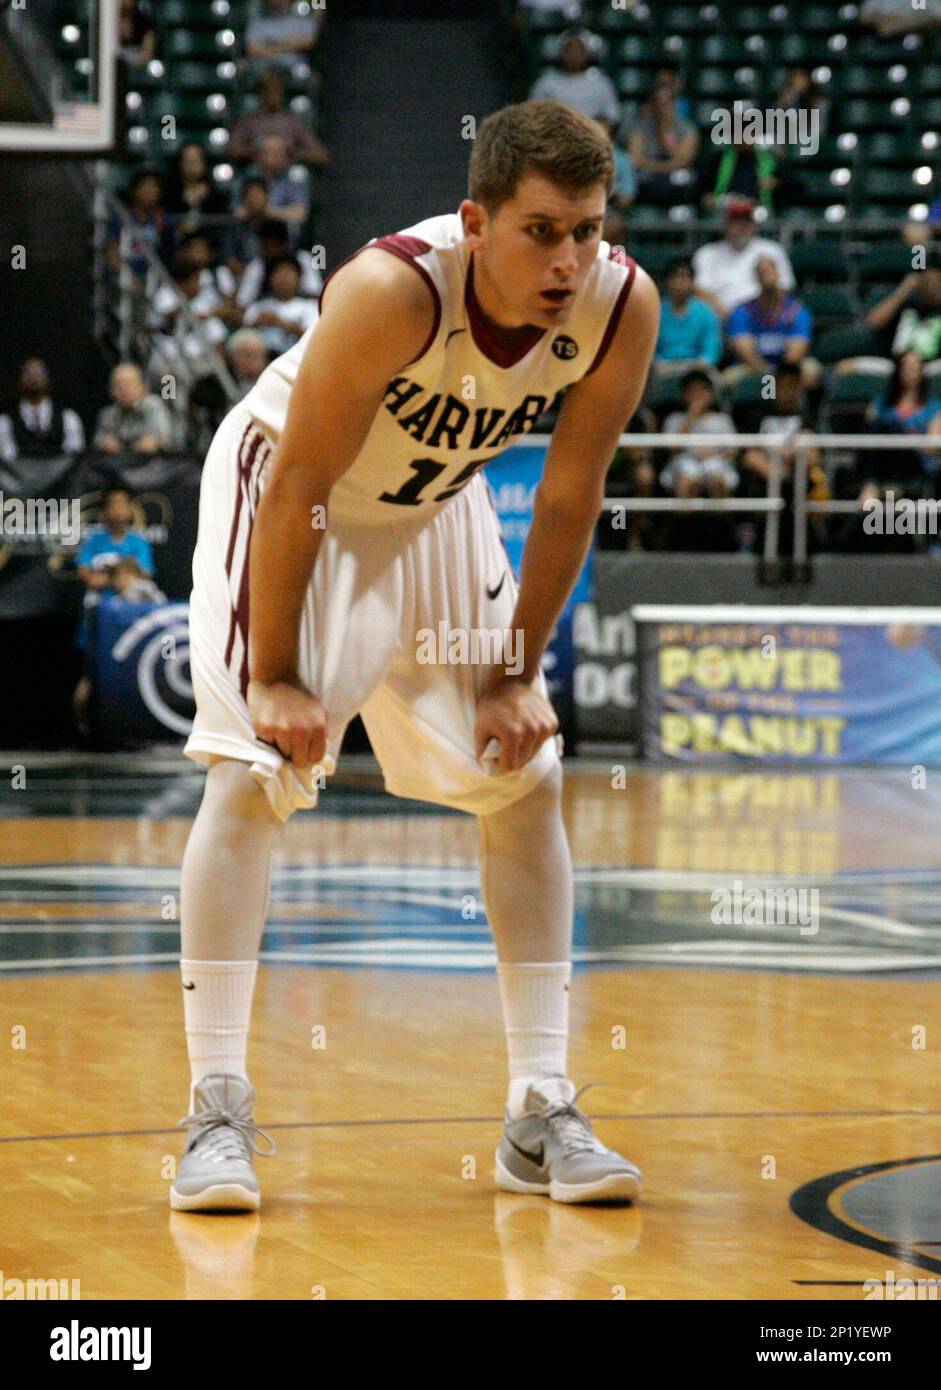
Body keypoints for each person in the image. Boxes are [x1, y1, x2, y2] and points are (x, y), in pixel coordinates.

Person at [173, 99, 659, 1213]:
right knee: (253, 772)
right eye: (541, 231)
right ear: (474, 222)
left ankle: (539, 1107)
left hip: (434, 505)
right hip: (297, 495)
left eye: (586, 228)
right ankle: (215, 1107)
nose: (568, 258)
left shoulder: (620, 306)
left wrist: (515, 668)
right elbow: (295, 483)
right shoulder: (390, 292)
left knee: (523, 781)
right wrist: (281, 673)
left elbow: (571, 493)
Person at [692, 198, 795, 321]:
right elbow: (700, 291)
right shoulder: (707, 253)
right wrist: (730, 316)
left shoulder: (772, 250)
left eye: (747, 221)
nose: (742, 226)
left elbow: (785, 287)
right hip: (720, 318)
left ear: (755, 225)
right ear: (726, 224)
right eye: (736, 221)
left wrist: (757, 314)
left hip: (764, 318)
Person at [726, 256, 814, 383]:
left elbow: (797, 350)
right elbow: (744, 350)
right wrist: (768, 376)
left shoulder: (796, 310)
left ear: (778, 273)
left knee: (811, 371)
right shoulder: (743, 311)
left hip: (787, 369)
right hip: (752, 367)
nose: (766, 276)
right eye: (762, 272)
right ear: (755, 278)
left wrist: (779, 377)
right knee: (729, 378)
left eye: (769, 271)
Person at [229, 69, 329, 168]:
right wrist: (255, 151)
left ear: (283, 93)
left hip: (286, 173)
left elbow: (321, 155)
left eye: (277, 91)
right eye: (268, 91)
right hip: (256, 173)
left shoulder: (292, 121)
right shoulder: (249, 120)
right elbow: (232, 149)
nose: (273, 96)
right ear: (261, 93)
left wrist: (292, 153)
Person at [660, 369, 738, 497]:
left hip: (716, 461)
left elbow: (732, 452)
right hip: (684, 461)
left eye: (702, 390)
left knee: (715, 474)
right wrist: (690, 418)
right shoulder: (674, 419)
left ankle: (721, 514)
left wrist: (712, 454)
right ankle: (685, 514)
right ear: (683, 394)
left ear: (711, 394)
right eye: (692, 391)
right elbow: (671, 450)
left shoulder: (722, 419)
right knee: (687, 473)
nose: (697, 395)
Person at [627, 76, 700, 208]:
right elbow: (635, 159)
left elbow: (683, 160)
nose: (664, 108)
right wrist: (664, 167)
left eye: (668, 103)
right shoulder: (640, 127)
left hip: (672, 179)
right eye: (660, 103)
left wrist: (666, 131)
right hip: (647, 179)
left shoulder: (687, 128)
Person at [528, 30, 620, 134]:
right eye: (569, 49)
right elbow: (533, 115)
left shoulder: (601, 82)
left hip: (591, 138)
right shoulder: (546, 82)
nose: (574, 53)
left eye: (579, 49)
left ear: (588, 53)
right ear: (561, 52)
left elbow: (611, 118)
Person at [0, 358, 85, 462]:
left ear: (48, 380)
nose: (34, 378)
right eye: (28, 373)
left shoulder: (68, 418)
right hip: (19, 474)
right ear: (20, 380)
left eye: (39, 373)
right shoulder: (5, 421)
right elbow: (7, 459)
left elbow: (74, 456)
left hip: (60, 474)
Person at [866, 256, 941, 362]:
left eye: (938, 282)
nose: (932, 287)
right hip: (896, 365)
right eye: (927, 282)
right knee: (845, 367)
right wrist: (904, 289)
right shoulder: (906, 307)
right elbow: (873, 323)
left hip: (934, 367)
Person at [239, 135, 310, 248]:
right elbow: (238, 212)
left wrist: (265, 211)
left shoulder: (292, 183)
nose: (277, 156)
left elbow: (300, 214)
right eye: (271, 151)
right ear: (259, 155)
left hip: (285, 246)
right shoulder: (246, 180)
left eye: (281, 152)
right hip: (250, 245)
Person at [654, 257, 722, 372]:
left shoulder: (705, 312)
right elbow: (648, 347)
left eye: (684, 277)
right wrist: (656, 362)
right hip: (663, 366)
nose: (680, 282)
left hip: (697, 366)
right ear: (667, 281)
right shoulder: (655, 311)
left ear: (693, 281)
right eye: (674, 277)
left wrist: (704, 361)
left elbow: (712, 345)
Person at [243, 253, 319, 355]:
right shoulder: (258, 307)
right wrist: (255, 325)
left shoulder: (310, 307)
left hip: (298, 359)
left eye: (289, 273)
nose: (284, 278)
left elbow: (314, 340)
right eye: (279, 273)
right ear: (270, 278)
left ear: (299, 278)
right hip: (265, 361)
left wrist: (281, 324)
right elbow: (243, 338)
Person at [93, 362, 175, 454]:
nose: (123, 388)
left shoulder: (153, 406)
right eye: (118, 384)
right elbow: (98, 442)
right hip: (117, 464)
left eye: (128, 383)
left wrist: (149, 443)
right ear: (112, 391)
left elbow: (162, 440)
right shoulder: (108, 414)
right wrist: (105, 444)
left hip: (151, 463)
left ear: (142, 387)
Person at [245, 0, 324, 72]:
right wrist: (290, 45)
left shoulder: (301, 21)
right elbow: (252, 50)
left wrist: (270, 46)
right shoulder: (258, 24)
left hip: (295, 69)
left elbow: (309, 42)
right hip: (265, 70)